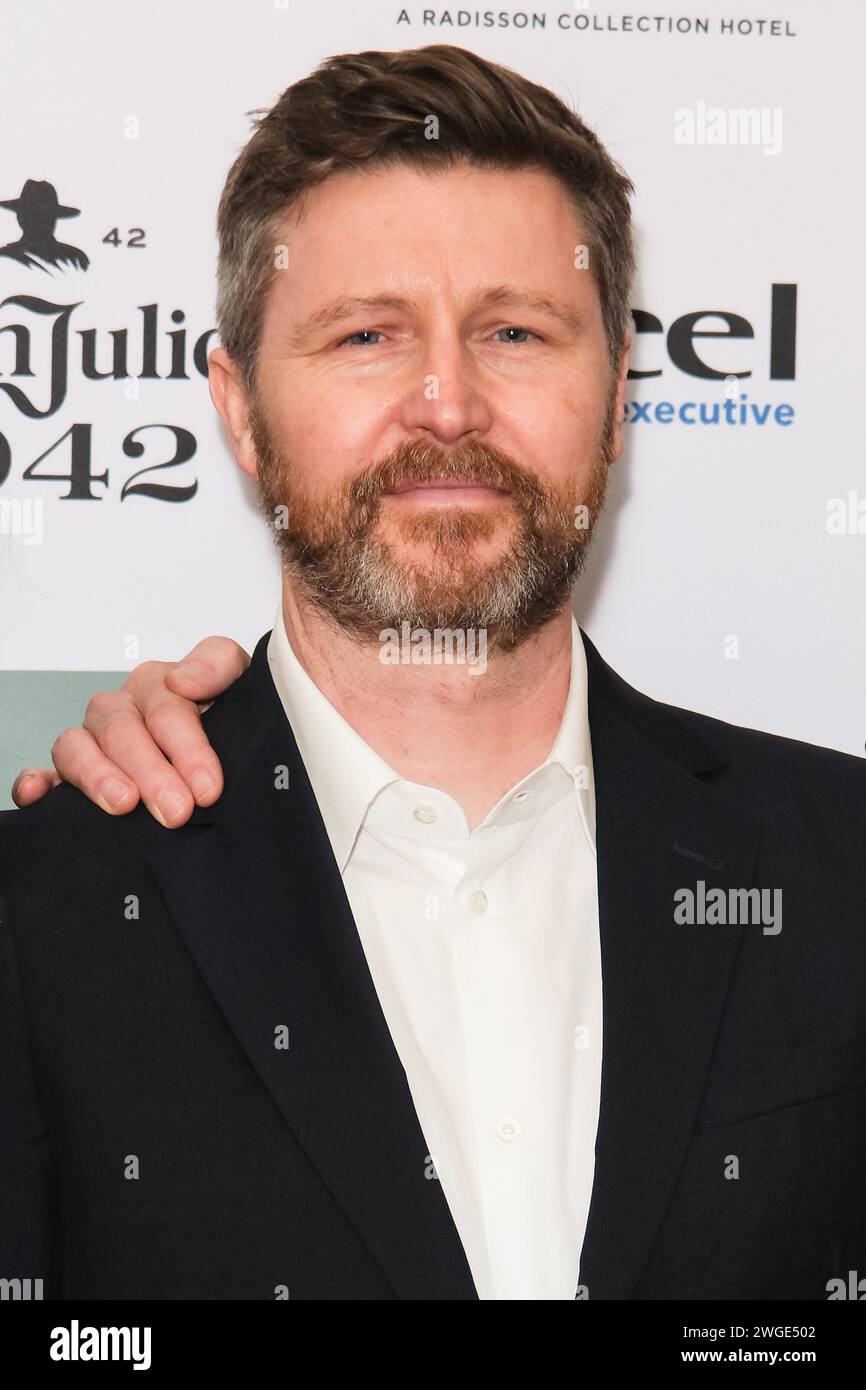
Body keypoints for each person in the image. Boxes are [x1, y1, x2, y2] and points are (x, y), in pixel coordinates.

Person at [3, 44, 866, 1303]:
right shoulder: (45, 916)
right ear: (239, 412)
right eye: (365, 335)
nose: (446, 403)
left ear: (617, 392)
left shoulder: (837, 864)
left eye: (514, 330)